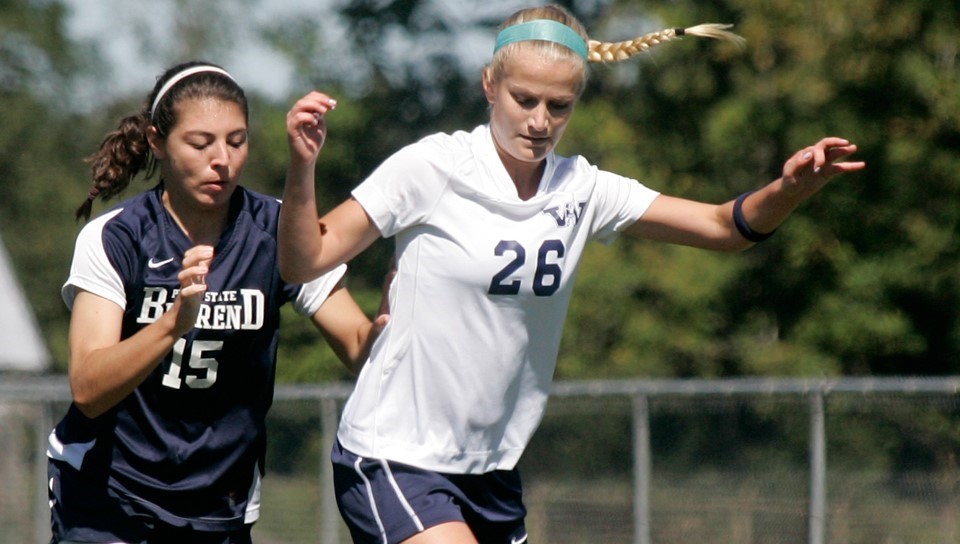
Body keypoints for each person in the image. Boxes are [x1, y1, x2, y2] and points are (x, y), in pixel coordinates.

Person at [279, 5, 866, 544]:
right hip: (394, 454)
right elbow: (306, 260)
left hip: (491, 469)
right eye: (524, 99)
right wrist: (302, 168)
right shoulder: (432, 166)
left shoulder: (582, 188)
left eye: (558, 106)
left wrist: (793, 188)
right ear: (490, 85)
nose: (540, 120)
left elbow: (722, 227)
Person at [47, 61, 388, 544]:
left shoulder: (275, 231)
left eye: (236, 140)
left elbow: (359, 347)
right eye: (200, 143)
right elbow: (88, 387)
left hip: (218, 508)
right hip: (108, 497)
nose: (222, 159)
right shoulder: (118, 236)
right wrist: (173, 324)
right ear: (157, 142)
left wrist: (399, 315)